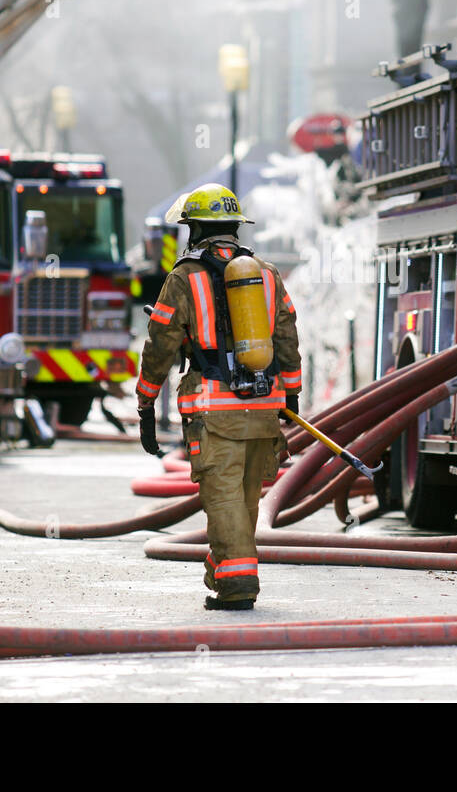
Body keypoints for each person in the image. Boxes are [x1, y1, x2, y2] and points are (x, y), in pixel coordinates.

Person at [136, 183, 302, 610]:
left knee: (224, 497)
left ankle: (238, 584)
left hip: (214, 411)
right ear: (234, 227)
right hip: (264, 407)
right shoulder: (266, 273)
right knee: (245, 498)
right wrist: (292, 396)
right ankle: (223, 571)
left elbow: (160, 346)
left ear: (195, 230)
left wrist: (146, 403)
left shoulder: (183, 278)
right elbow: (286, 336)